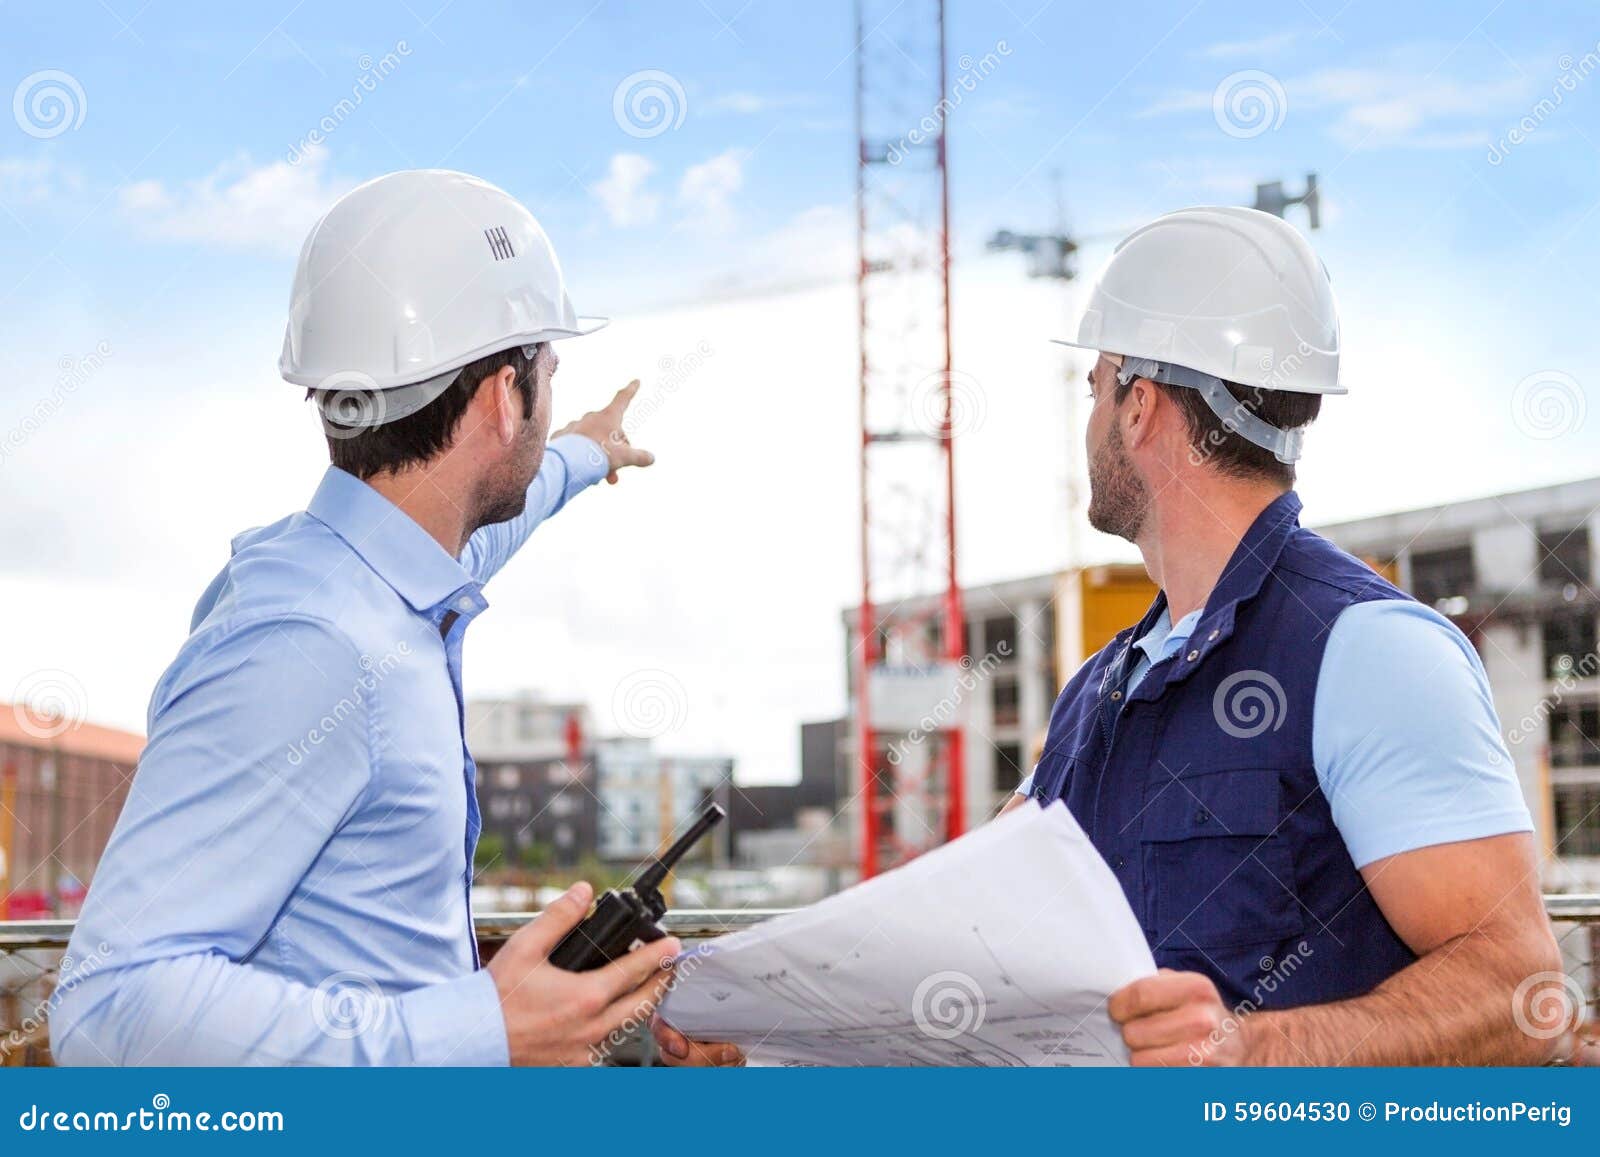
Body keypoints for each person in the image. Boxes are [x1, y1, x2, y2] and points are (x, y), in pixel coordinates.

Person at [51, 170, 732, 1066]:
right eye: (550, 375)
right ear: (502, 396)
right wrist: (480, 1031)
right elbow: (108, 1007)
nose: (553, 397)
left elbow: (502, 519)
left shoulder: (376, 574)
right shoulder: (311, 645)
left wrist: (584, 452)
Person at [1004, 206, 1571, 1065]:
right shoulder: (1096, 692)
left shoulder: (1371, 652)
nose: (1091, 419)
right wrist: (754, 1033)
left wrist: (1251, 1051)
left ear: (1139, 407)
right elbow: (964, 935)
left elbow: (1521, 996)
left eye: (1095, 388)